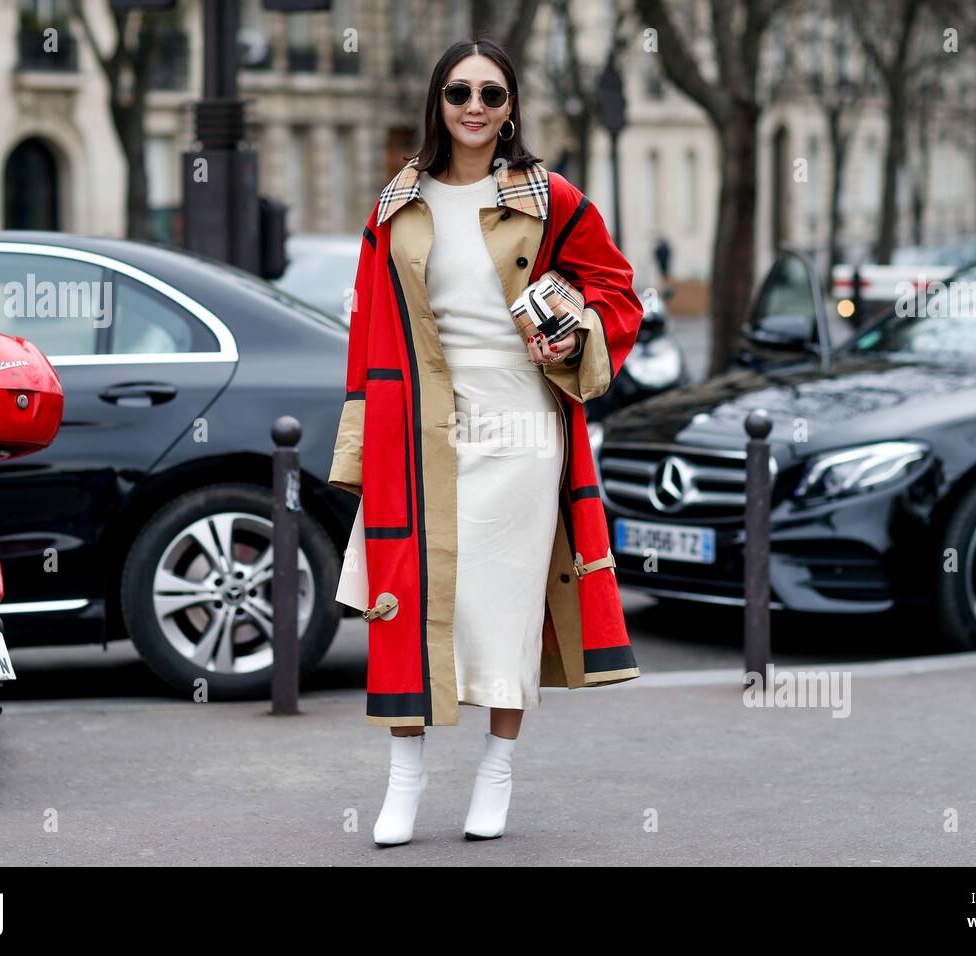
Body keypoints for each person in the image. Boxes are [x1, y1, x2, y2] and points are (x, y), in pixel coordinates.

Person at [329, 35, 643, 846]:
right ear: (438, 102)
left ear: (511, 110)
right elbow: (368, 329)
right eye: (459, 92)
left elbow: (616, 292)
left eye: (491, 95)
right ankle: (405, 777)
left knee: (502, 608)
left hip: (520, 428)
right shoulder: (395, 203)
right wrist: (360, 445)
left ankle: (498, 770)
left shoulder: (553, 200)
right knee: (407, 603)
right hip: (420, 428)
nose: (474, 107)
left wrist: (574, 339)